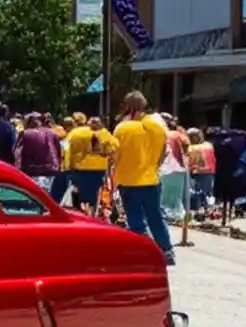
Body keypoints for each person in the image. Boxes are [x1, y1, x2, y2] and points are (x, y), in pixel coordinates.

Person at [112, 91, 175, 266]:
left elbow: (114, 154)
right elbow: (163, 154)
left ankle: (145, 249)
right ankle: (167, 251)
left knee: (135, 219)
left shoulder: (122, 128)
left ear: (128, 107)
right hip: (152, 179)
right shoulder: (158, 127)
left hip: (128, 180)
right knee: (155, 216)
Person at [66, 115, 114, 212]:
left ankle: (81, 216)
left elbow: (67, 150)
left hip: (79, 170)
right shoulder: (104, 133)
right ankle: (92, 216)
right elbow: (113, 149)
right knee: (95, 198)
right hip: (99, 170)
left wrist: (68, 168)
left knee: (78, 198)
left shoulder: (74, 133)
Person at [15, 113, 61, 193]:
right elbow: (58, 152)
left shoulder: (26, 134)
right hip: (52, 171)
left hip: (33, 172)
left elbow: (17, 154)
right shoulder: (53, 133)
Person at [186, 128, 216, 218]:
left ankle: (200, 210)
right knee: (207, 192)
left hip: (197, 172)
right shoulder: (209, 145)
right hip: (209, 172)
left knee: (197, 193)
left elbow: (189, 161)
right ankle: (208, 210)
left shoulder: (191, 148)